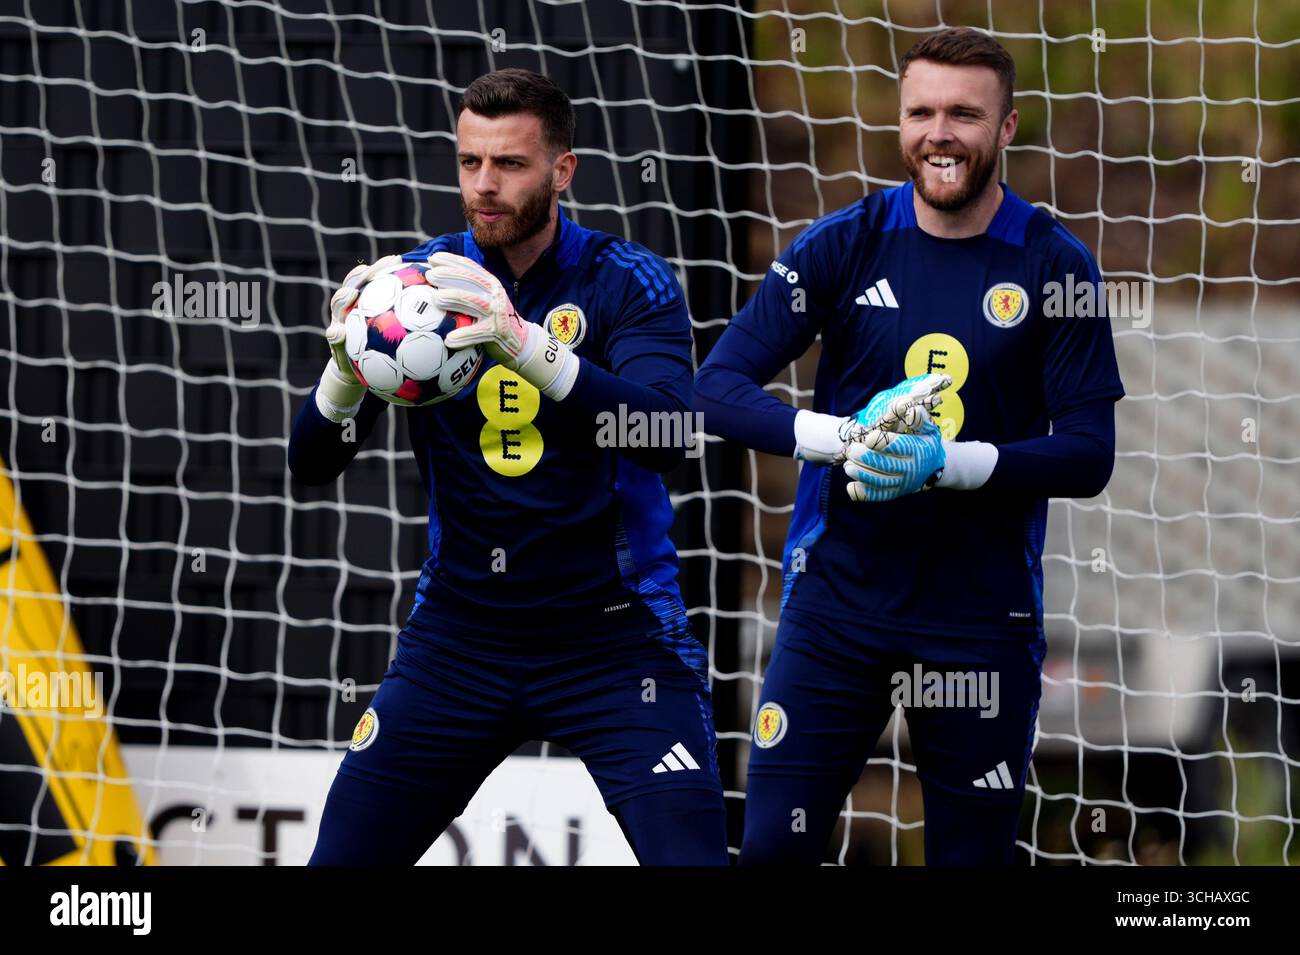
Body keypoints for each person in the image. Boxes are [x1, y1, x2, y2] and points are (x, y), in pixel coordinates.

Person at [694, 27, 1124, 864]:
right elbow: (713, 388)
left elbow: (1089, 452)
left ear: (1005, 129)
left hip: (980, 618)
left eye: (964, 114)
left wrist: (949, 463)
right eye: (921, 111)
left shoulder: (1054, 265)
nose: (939, 134)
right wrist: (843, 439)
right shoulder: (845, 242)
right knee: (771, 848)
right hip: (836, 609)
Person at [293, 68, 727, 865]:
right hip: (461, 639)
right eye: (469, 163)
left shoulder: (628, 280)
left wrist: (524, 344)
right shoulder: (417, 290)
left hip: (616, 639)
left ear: (563, 170)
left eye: (510, 165)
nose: (484, 186)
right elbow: (310, 464)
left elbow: (669, 433)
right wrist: (342, 376)